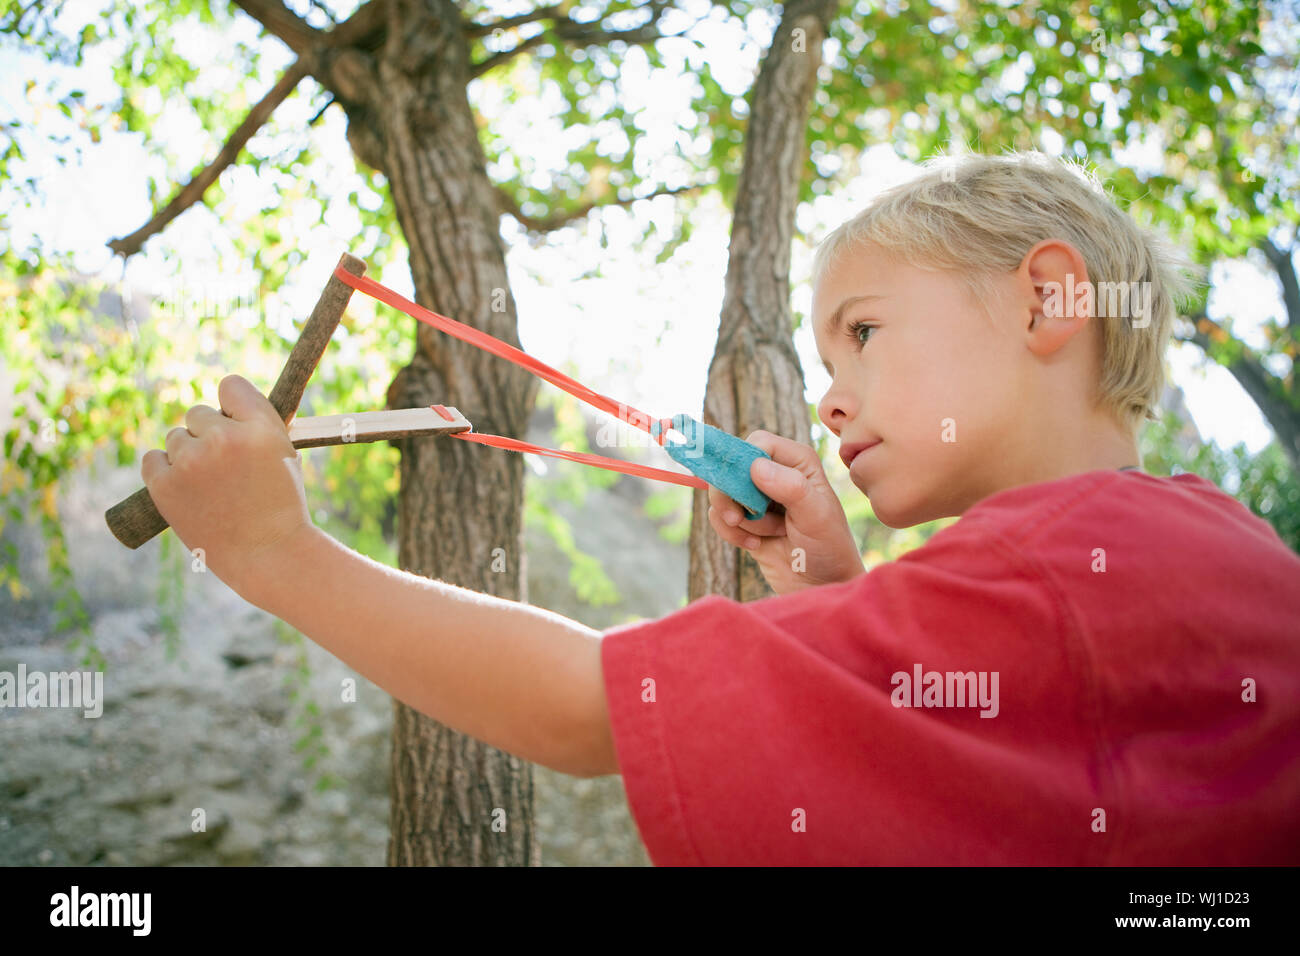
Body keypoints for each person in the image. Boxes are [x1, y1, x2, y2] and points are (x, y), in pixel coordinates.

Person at [141, 152, 1300, 865]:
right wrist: (846, 602)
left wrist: (270, 549)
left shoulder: (1050, 570)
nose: (832, 395)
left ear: (1049, 298)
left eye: (863, 328)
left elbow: (588, 713)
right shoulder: (1216, 551)